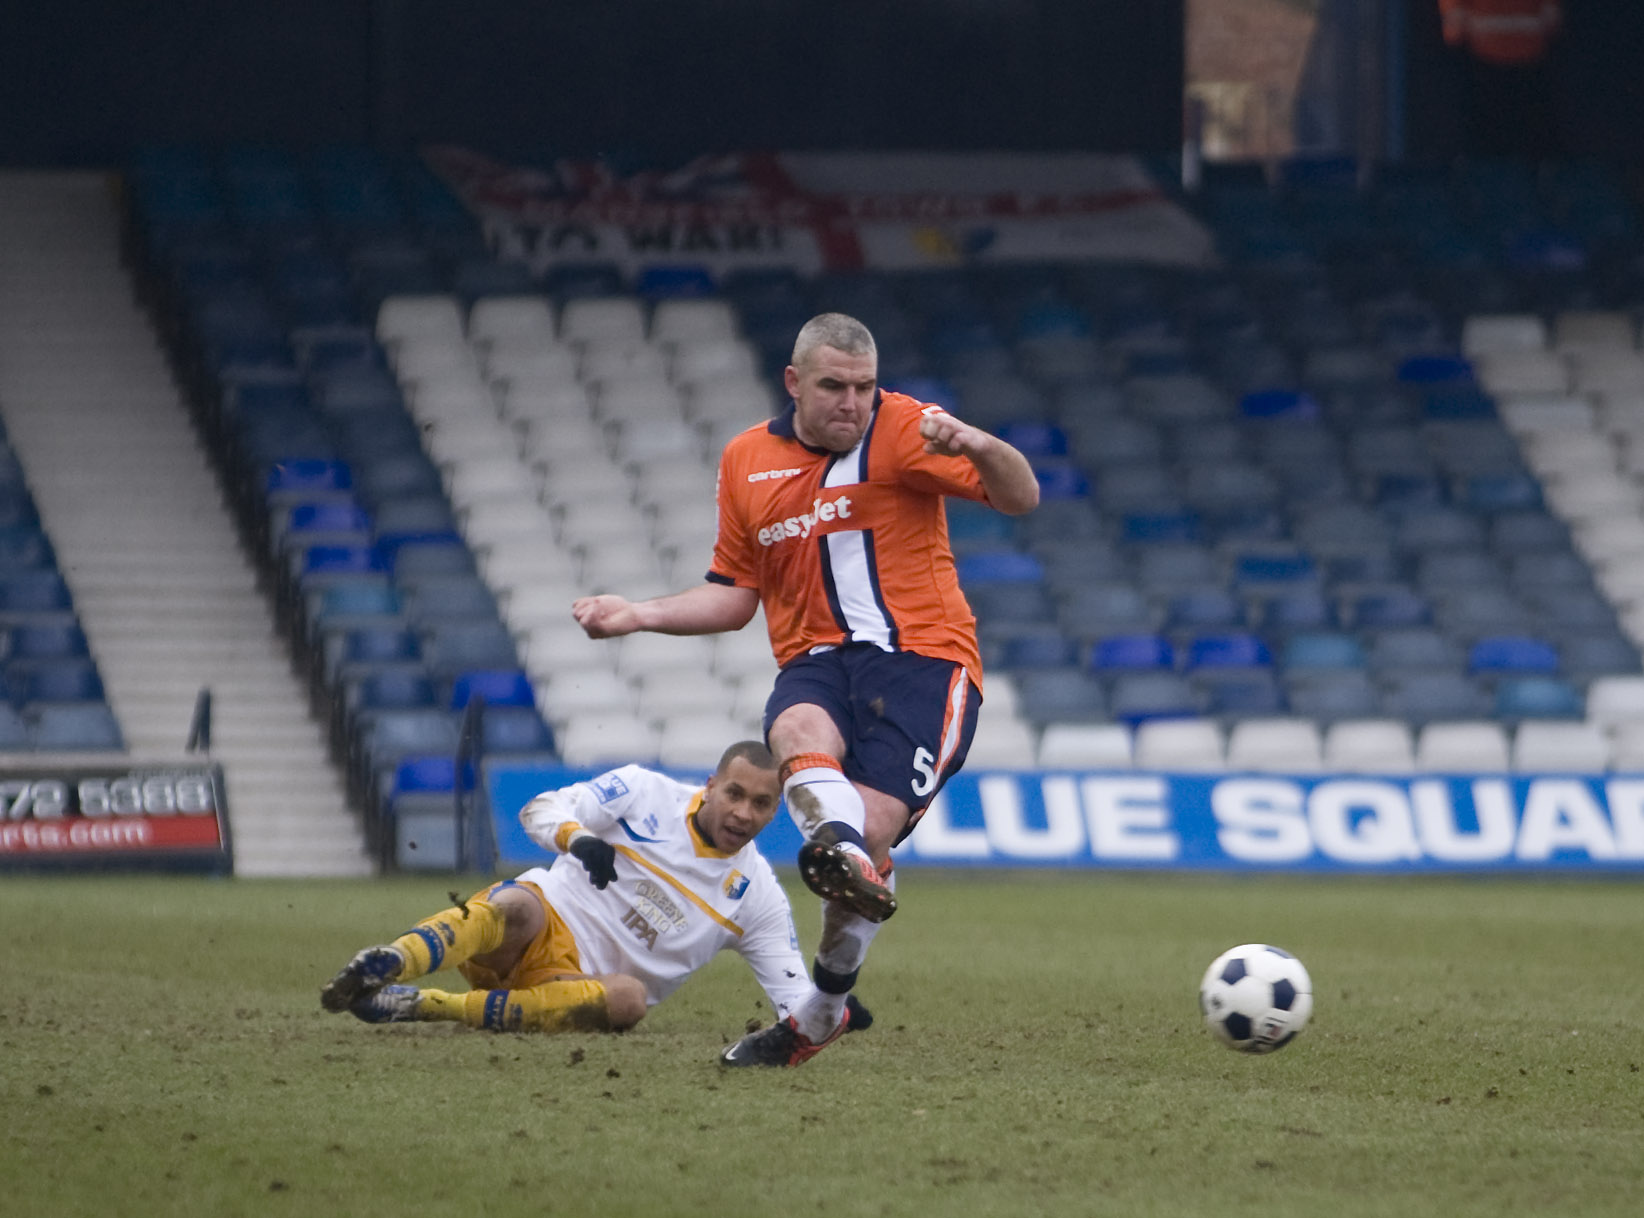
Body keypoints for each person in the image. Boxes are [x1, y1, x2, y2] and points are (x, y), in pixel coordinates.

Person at [572, 312, 1039, 1065]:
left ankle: (819, 1013)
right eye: (833, 387)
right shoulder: (745, 460)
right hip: (819, 658)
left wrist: (980, 444)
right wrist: (637, 615)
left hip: (925, 663)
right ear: (795, 383)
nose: (852, 402)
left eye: (863, 387)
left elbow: (1021, 498)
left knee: (869, 835)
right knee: (795, 738)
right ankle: (842, 855)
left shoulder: (909, 428)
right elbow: (733, 595)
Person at [320, 740, 867, 1061]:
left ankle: (423, 1006)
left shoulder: (758, 898)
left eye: (762, 804)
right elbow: (541, 809)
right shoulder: (643, 792)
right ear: (710, 785)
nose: (744, 813)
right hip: (526, 934)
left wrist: (830, 1002)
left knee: (628, 1002)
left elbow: (792, 998)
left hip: (574, 993)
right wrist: (577, 840)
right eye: (735, 794)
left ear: (776, 812)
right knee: (519, 904)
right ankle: (390, 962)